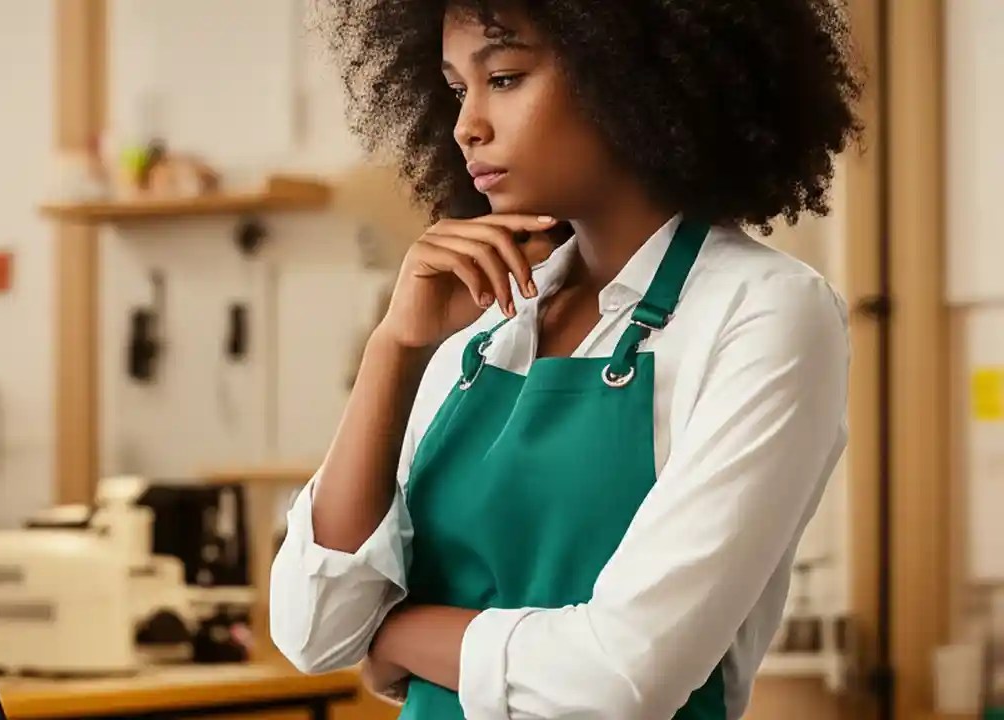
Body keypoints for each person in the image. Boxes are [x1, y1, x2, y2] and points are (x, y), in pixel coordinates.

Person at [270, 0, 862, 717]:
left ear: (632, 76)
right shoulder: (479, 328)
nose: (467, 125)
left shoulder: (765, 312)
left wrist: (395, 635)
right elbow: (314, 631)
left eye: (508, 77)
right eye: (458, 89)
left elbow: (620, 677)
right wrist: (395, 350)